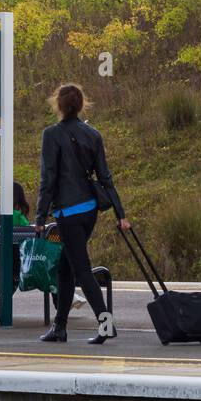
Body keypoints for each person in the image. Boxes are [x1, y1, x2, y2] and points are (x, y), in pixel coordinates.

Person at [34, 83, 128, 344]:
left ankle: (106, 324)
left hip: (68, 213)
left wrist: (40, 217)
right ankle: (60, 327)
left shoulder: (51, 135)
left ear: (59, 105)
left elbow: (48, 179)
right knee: (65, 269)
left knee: (81, 270)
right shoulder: (93, 134)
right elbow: (105, 177)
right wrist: (121, 214)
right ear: (81, 104)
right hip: (89, 211)